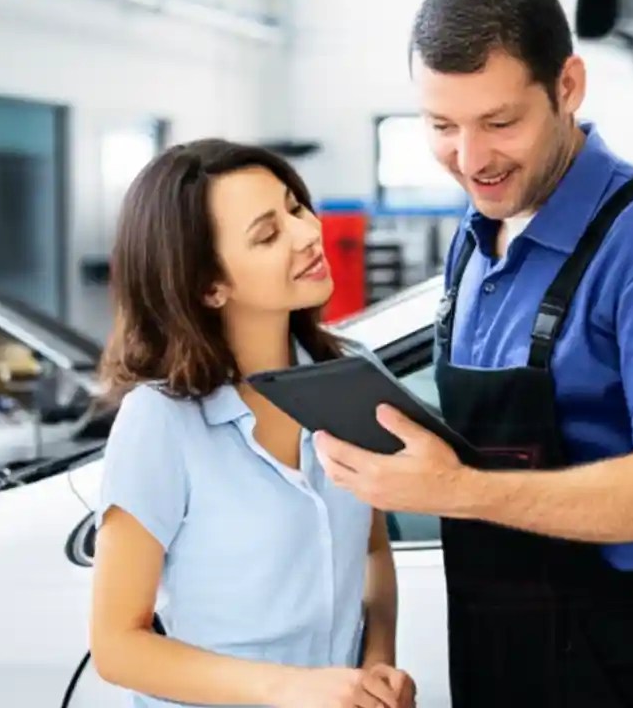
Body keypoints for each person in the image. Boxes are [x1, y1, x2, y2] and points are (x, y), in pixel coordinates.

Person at [313, 0, 633, 706]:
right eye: (441, 125)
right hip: (497, 651)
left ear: (568, 87)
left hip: (623, 668)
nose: (470, 157)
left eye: (500, 121)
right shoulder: (477, 233)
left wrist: (458, 491)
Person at [89, 139, 416, 708]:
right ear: (208, 286)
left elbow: (371, 551)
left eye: (295, 208)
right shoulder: (162, 421)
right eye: (267, 234)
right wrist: (292, 689)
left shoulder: (351, 378)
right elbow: (118, 646)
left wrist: (376, 667)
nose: (307, 232)